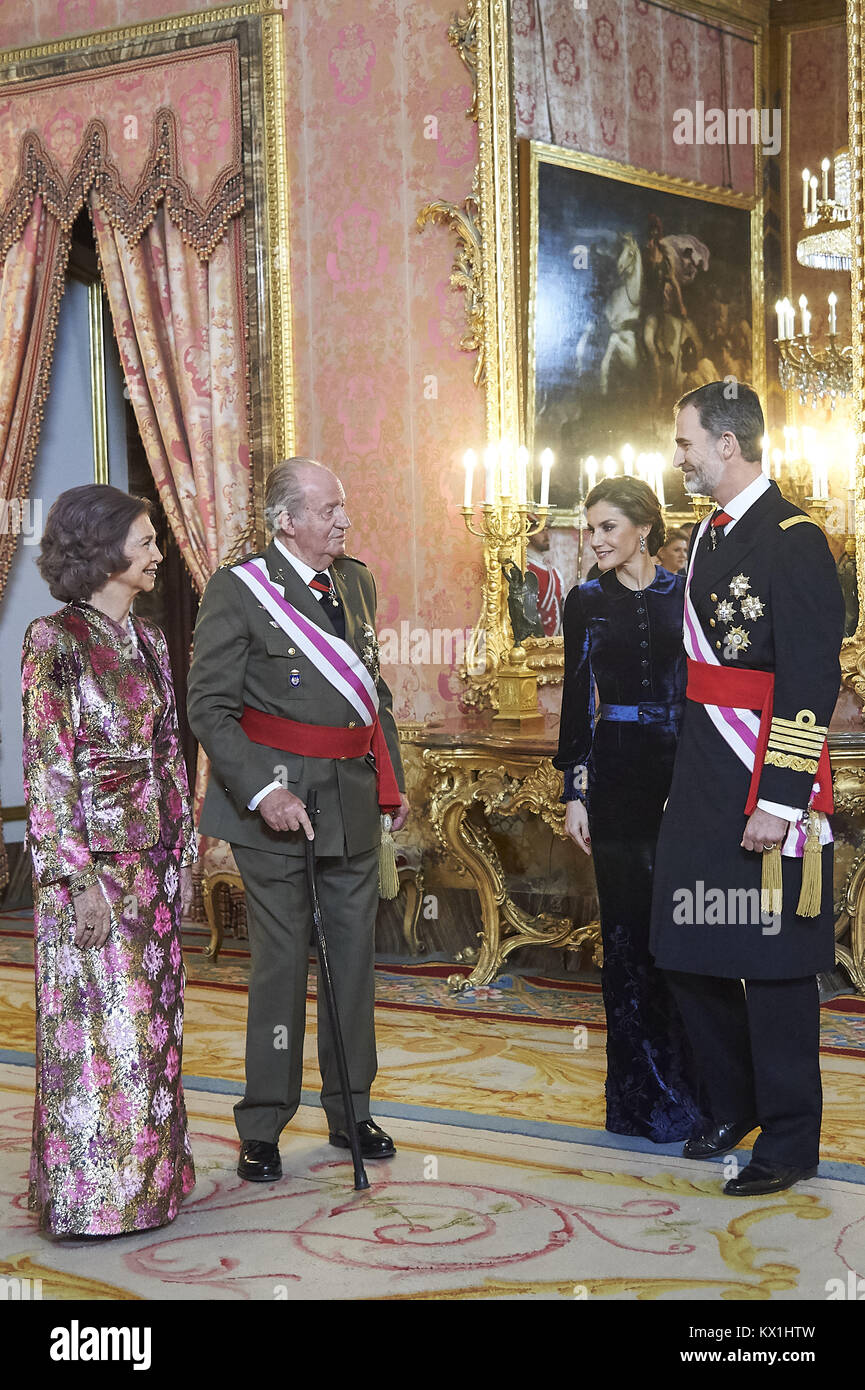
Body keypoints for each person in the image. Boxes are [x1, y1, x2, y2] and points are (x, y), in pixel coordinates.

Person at [187, 457, 409, 1183]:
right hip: (274, 811)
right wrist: (261, 792)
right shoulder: (240, 588)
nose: (343, 520)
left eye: (342, 508)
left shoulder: (357, 580)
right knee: (279, 970)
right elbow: (209, 709)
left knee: (351, 966)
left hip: (348, 799)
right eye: (328, 510)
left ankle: (351, 1109)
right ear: (287, 521)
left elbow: (370, 690)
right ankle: (263, 1124)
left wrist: (392, 782)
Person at [650, 382, 845, 1196]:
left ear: (726, 444)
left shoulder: (794, 539)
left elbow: (809, 679)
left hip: (764, 778)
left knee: (771, 964)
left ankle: (791, 1138)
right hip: (699, 776)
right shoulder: (706, 535)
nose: (679, 455)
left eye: (686, 441)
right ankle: (735, 1103)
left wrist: (778, 798)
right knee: (685, 947)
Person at [23, 485, 197, 1237]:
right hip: (89, 873)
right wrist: (77, 879)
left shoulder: (152, 641)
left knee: (155, 1027)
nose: (158, 552)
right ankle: (92, 1201)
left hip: (153, 863)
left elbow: (169, 752)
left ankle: (150, 1188)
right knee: (97, 1029)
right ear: (101, 549)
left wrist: (185, 850)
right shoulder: (53, 640)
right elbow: (47, 767)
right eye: (146, 539)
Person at [554, 476, 706, 1143]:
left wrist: (701, 781)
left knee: (685, 932)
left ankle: (701, 1097)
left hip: (684, 776)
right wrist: (574, 792)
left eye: (607, 527)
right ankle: (639, 1102)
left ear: (643, 528)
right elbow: (574, 699)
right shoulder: (583, 601)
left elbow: (707, 694)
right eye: (589, 530)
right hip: (615, 782)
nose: (594, 541)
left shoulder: (689, 591)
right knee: (625, 941)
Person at [526, 520, 564, 635]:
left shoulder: (555, 573)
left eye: (547, 530)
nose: (547, 535)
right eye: (540, 530)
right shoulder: (523, 569)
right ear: (526, 533)